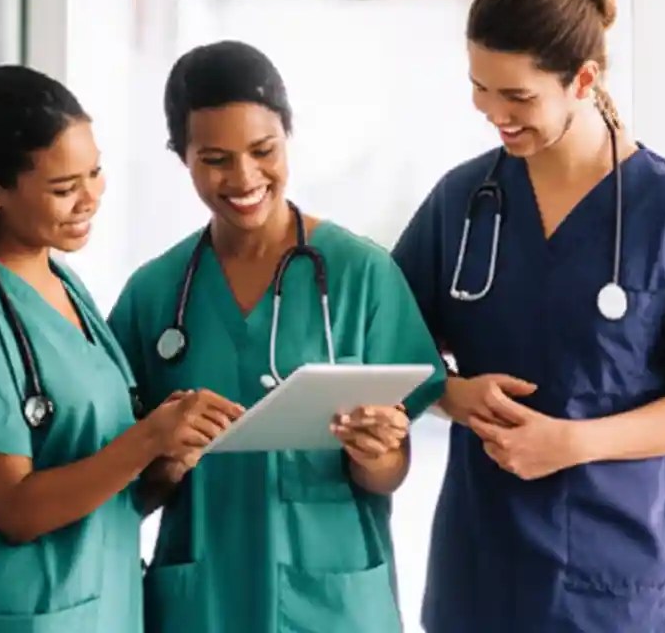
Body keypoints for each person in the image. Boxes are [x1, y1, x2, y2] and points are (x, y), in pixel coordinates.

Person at [391, 0, 665, 632]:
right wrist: (451, 394)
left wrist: (575, 443)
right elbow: (386, 338)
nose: (495, 115)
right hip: (481, 575)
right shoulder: (463, 201)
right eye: (480, 89)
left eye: (517, 96)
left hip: (616, 579)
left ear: (583, 80)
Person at [0, 65, 243, 633]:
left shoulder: (63, 285)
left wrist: (165, 461)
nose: (89, 198)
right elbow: (18, 512)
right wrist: (147, 436)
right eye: (63, 187)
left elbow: (102, 497)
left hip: (103, 611)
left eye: (94, 173)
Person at [106, 40, 446, 632]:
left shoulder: (360, 274)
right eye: (214, 158)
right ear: (180, 155)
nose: (244, 178)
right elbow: (121, 485)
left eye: (263, 150)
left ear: (289, 134)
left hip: (334, 599)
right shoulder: (154, 294)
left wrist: (380, 450)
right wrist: (163, 463)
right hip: (205, 598)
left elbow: (389, 472)